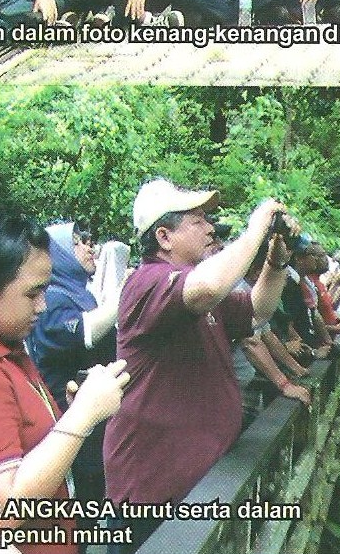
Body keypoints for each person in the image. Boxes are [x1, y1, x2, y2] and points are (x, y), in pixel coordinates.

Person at [103, 183, 290, 547]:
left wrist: (276, 259)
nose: (211, 228)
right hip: (152, 487)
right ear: (164, 236)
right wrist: (256, 227)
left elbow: (258, 311)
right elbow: (205, 288)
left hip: (195, 482)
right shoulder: (148, 281)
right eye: (198, 221)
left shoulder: (201, 290)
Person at [0, 212, 130, 554]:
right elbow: (3, 511)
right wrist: (81, 416)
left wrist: (71, 410)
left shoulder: (8, 354)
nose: (42, 306)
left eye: (46, 290)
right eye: (32, 294)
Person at [25, 222, 117, 513]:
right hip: (67, 410)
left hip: (90, 411)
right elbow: (83, 334)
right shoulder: (52, 297)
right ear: (60, 253)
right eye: (79, 242)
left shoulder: (77, 292)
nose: (89, 247)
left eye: (90, 240)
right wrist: (123, 296)